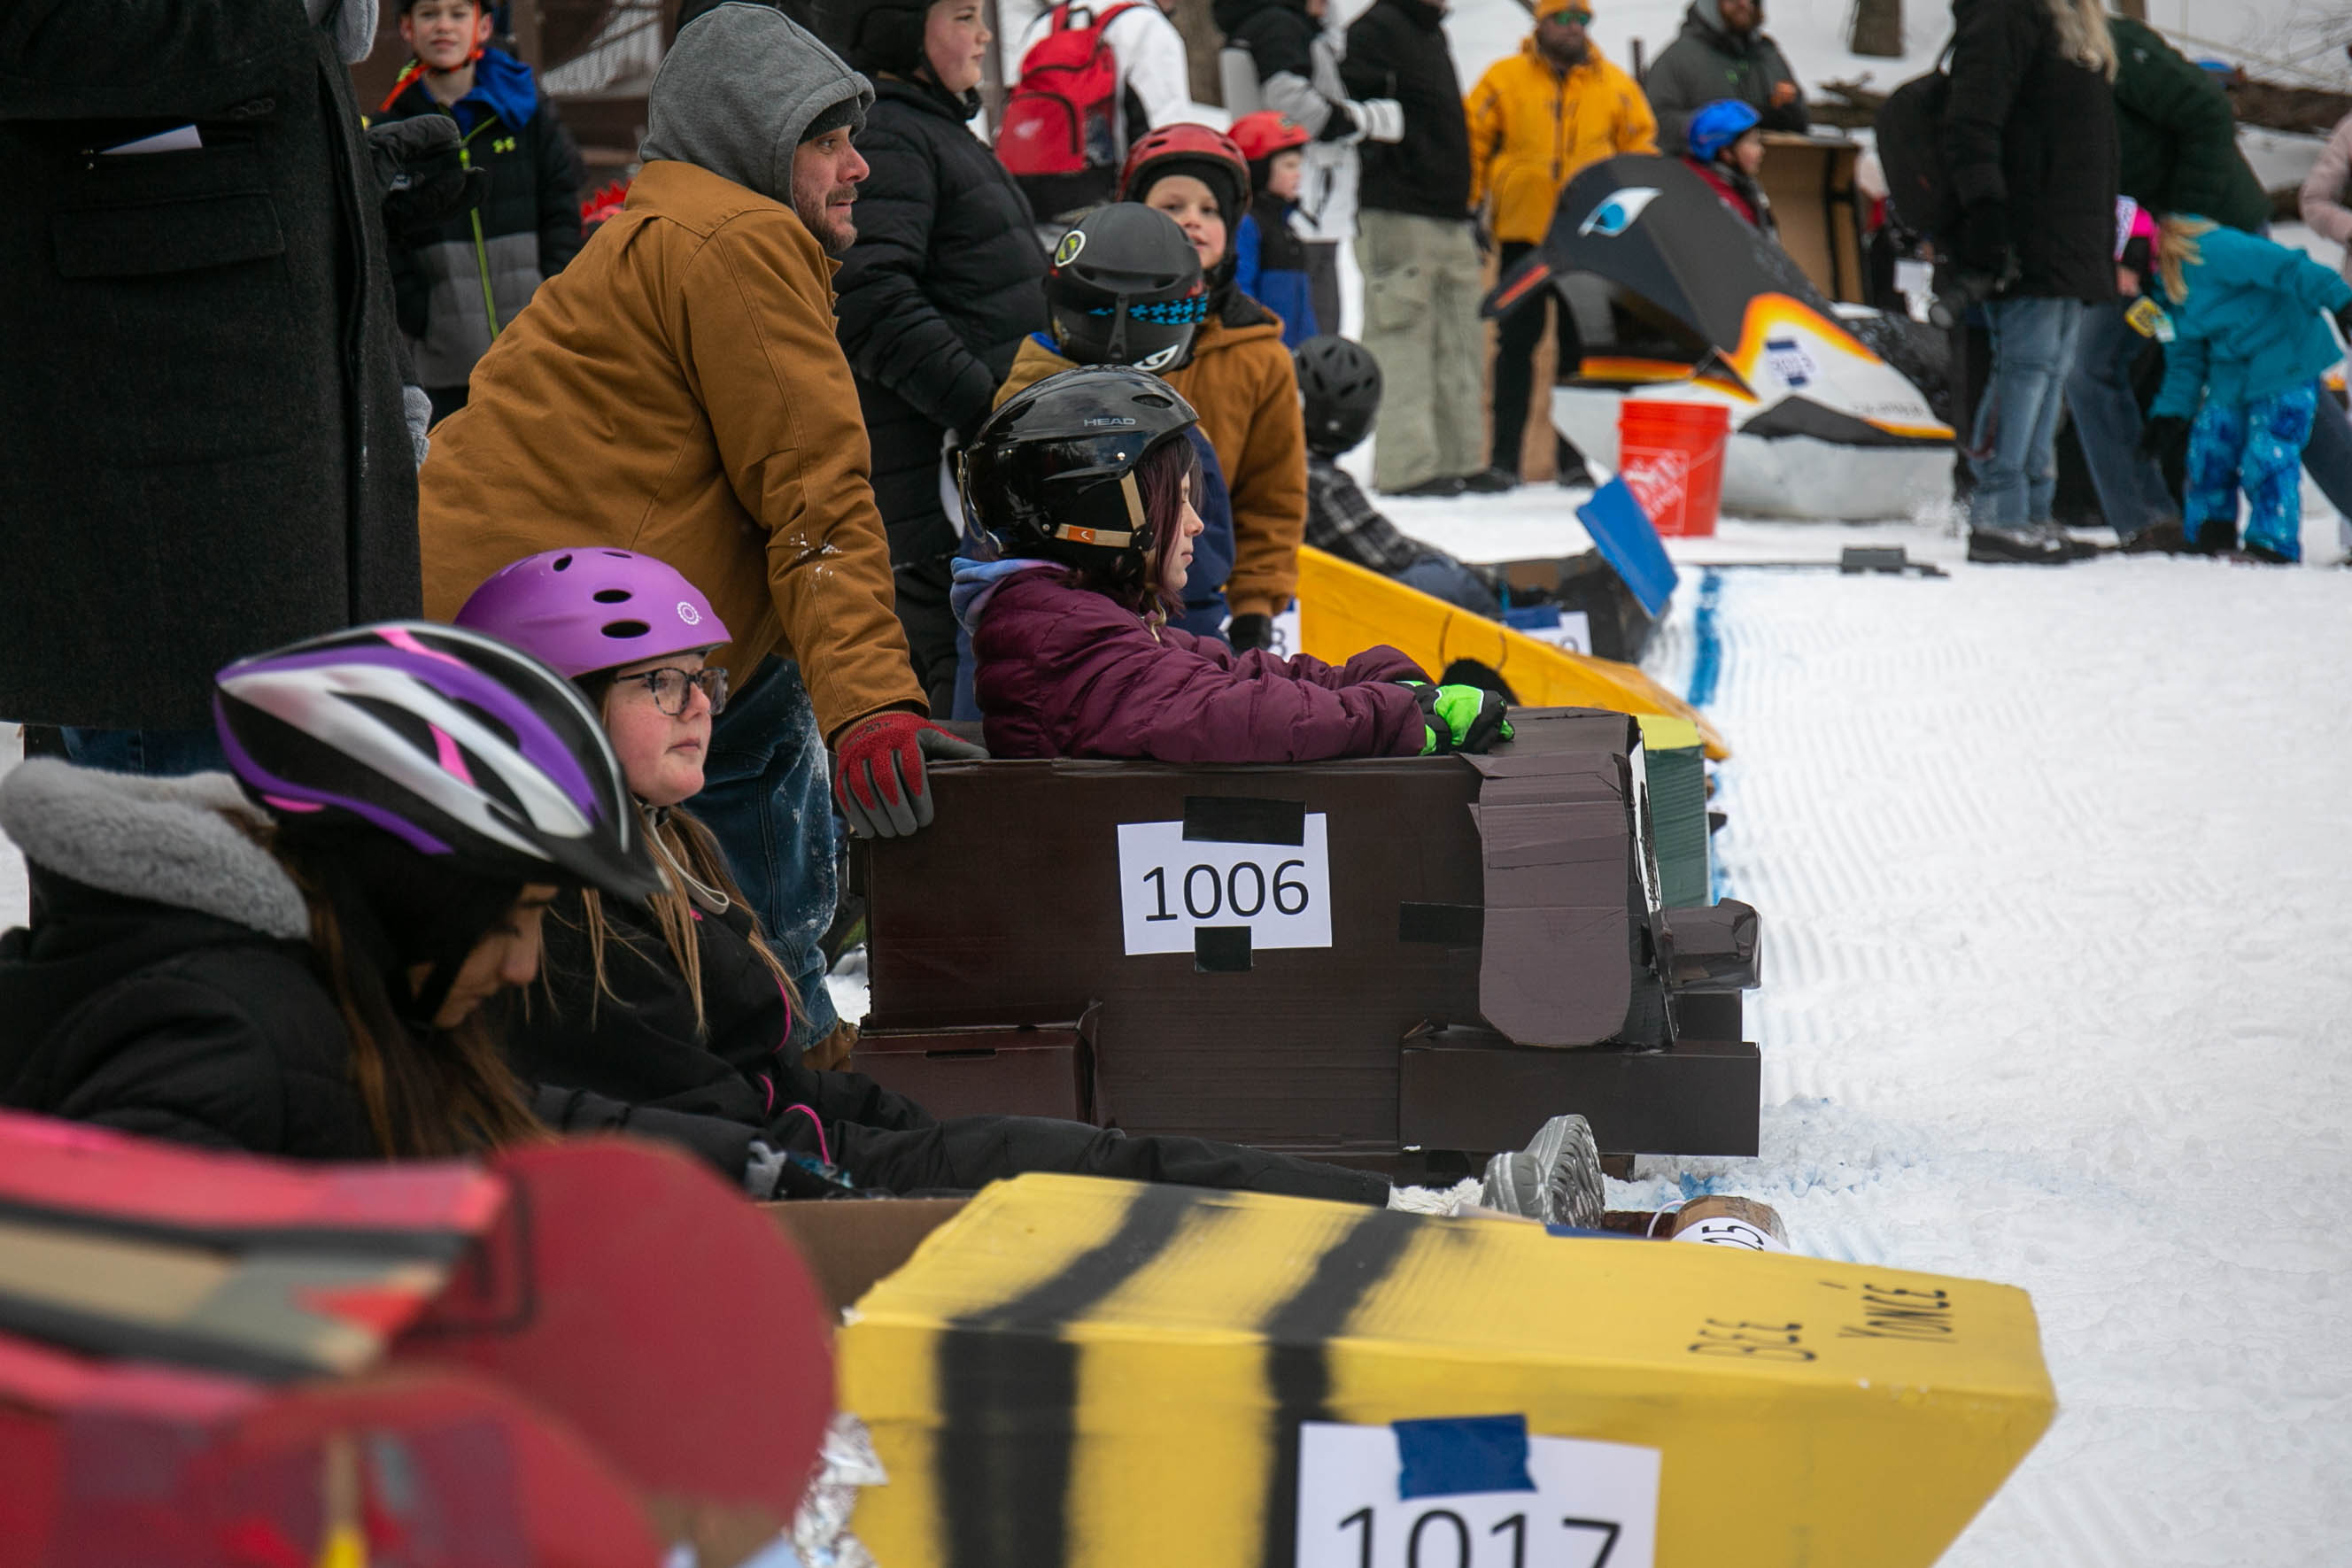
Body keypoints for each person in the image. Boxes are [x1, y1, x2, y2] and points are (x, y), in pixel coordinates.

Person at [455, 547, 1600, 1220]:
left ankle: (1422, 1217)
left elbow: (766, 1076)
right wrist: (852, 1157)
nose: (702, 703)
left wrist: (886, 1119)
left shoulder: (662, 856)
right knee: (1098, 1180)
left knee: (1101, 1150)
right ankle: (1434, 1224)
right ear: (554, 707)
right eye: (660, 683)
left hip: (816, 1162)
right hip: (785, 1214)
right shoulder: (555, 926)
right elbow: (696, 1128)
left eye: (705, 677)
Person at [414, 3, 979, 1068]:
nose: (858, 166)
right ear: (748, 145)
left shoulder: (660, 230)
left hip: (498, 638)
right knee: (758, 733)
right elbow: (815, 499)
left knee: (742, 702)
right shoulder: (741, 238)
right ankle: (786, 1062)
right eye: (826, 140)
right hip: (579, 651)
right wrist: (873, 708)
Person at [0, 622, 666, 1162]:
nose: (524, 964)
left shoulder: (349, 996)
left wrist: (749, 1158)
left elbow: (499, 1115)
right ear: (415, 889)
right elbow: (104, 1299)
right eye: (509, 917)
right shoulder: (243, 1048)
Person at [2, 0, 426, 776]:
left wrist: (380, 372)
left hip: (280, 467)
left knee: (290, 864)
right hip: (161, 465)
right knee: (181, 864)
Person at [959, 366, 1513, 763]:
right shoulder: (1066, 639)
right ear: (1099, 511)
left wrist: (1381, 680)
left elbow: (1237, 673)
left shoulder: (1086, 627)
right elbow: (1236, 713)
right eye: (1175, 500)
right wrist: (1393, 717)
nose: (1196, 522)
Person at [819, 0, 1048, 713]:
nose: (982, 34)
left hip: (964, 480)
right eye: (961, 16)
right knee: (951, 702)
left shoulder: (930, 127)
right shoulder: (889, 134)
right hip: (932, 490)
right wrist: (981, 408)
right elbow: (868, 293)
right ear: (902, 29)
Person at [985, 202, 1240, 649]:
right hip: (1150, 672)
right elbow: (1195, 585)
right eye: (1171, 314)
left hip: (1042, 672)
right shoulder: (1156, 439)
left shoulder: (1015, 419)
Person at [2068, 16, 2270, 552]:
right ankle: (2149, 520)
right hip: (2142, 251)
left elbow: (2207, 113)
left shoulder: (2113, 45)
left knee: (2272, 370)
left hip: (2212, 232)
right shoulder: (2026, 72)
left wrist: (2183, 225)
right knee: (2092, 366)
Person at [1116, 125, 1310, 654]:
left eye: (1210, 209)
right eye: (1172, 205)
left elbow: (1273, 495)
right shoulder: (1091, 325)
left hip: (1200, 603)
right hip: (1096, 593)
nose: (1192, 219)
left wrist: (1254, 607)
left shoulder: (1260, 352)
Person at [1942, 0, 2119, 565]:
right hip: (2028, 224)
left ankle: (2034, 509)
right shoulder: (2005, 15)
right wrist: (1986, 207)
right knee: (2024, 366)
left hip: (2070, 230)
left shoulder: (2069, 24)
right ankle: (1999, 510)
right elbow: (1972, 120)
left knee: (2051, 369)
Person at [1467, 0, 1656, 490]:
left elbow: (1641, 149)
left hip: (1589, 240)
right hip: (1523, 237)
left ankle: (1573, 461)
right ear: (1541, 23)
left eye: (1582, 20)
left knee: (1580, 351)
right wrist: (1472, 201)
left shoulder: (1615, 85)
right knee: (1515, 347)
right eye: (1564, 19)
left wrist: (1633, 217)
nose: (1574, 29)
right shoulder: (1503, 78)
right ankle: (1504, 459)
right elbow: (1474, 139)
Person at [375, 0, 584, 424]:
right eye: (429, 14)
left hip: (534, 351)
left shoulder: (527, 113)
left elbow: (562, 208)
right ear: (406, 28)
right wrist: (424, 315)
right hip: (445, 365)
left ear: (484, 26)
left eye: (457, 13)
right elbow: (382, 235)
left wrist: (550, 295)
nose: (443, 27)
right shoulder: (393, 130)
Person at [2133, 217, 2352, 564]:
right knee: (2210, 444)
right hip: (2233, 365)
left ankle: (2271, 543)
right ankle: (2210, 529)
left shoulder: (2212, 250)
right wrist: (2170, 413)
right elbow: (2183, 358)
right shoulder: (2153, 296)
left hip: (2284, 352)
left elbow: (2287, 266)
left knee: (2269, 449)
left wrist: (2341, 301)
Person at [1342, 0, 1486, 498]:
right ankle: (1408, 468)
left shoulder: (1428, 31)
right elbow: (1353, 115)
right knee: (1401, 337)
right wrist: (1391, 170)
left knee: (1461, 339)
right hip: (1396, 211)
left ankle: (1461, 459)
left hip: (1449, 212)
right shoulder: (1373, 30)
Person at [1214, 0, 1404, 337]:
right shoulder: (1278, 24)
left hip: (1293, 200)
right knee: (1307, 328)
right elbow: (1292, 102)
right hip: (1304, 201)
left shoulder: (1262, 22)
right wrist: (1363, 119)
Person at [1295, 335, 1502, 615]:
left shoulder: (1266, 456)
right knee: (1448, 584)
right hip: (1330, 604)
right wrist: (1483, 580)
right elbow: (1391, 556)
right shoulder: (1319, 483)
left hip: (1305, 593)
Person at [1004, 0, 1195, 221]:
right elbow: (1168, 140)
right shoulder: (1148, 28)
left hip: (1036, 208)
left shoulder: (1044, 25)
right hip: (1117, 217)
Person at [1642, 0, 1807, 157]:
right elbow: (1654, 124)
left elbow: (1799, 117)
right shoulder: (1678, 59)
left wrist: (1786, 113)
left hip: (1778, 174)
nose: (1743, 4)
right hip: (1700, 179)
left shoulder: (1768, 55)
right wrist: (1707, 126)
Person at [1229, 110, 1320, 347]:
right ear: (1257, 168)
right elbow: (1241, 293)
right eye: (1289, 165)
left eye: (1299, 166)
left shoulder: (1285, 227)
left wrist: (1311, 352)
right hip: (1264, 356)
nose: (1298, 175)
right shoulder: (1246, 225)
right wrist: (1260, 346)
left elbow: (1303, 306)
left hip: (1295, 359)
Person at [1681, 98, 1776, 234]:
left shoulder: (1737, 188)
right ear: (1726, 152)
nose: (1760, 151)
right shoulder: (1719, 203)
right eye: (1752, 142)